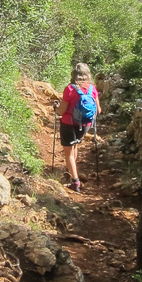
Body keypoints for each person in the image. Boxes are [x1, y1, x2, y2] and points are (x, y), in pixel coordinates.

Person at [59, 62, 99, 192]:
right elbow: (98, 110)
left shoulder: (70, 89)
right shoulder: (92, 89)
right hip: (85, 125)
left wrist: (56, 108)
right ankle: (72, 172)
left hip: (68, 124)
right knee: (75, 146)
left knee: (68, 151)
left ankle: (75, 182)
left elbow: (62, 110)